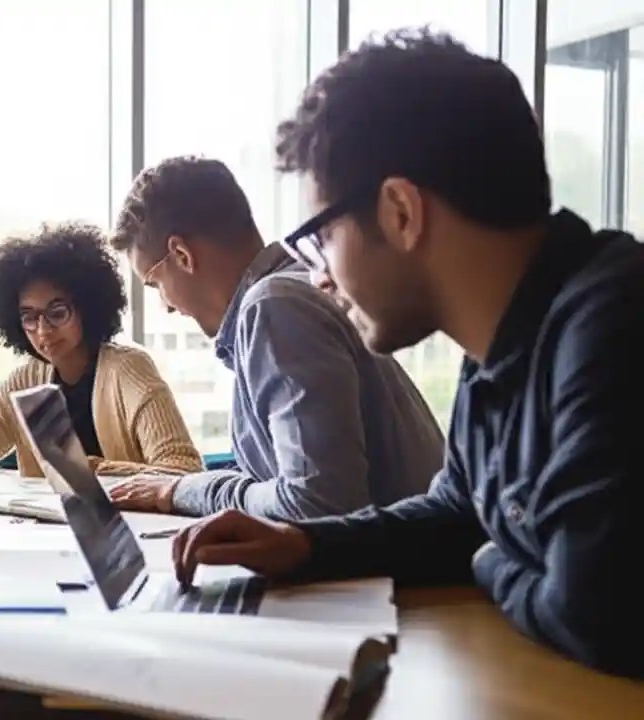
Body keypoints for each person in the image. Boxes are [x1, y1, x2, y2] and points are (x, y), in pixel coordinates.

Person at [171, 29, 641, 679]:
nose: (321, 277)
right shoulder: (499, 351)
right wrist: (305, 543)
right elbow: (457, 513)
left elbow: (594, 612)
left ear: (400, 211)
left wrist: (488, 559)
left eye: (322, 236)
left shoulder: (613, 326)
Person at [107, 155, 444, 520]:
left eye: (155, 283)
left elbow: (316, 503)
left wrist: (182, 491)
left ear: (182, 254)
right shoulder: (294, 291)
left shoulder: (275, 308)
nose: (166, 306)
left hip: (405, 574)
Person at [0, 222, 202, 478]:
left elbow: (183, 470)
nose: (43, 331)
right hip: (44, 519)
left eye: (57, 313)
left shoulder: (128, 370)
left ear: (86, 307)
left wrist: (95, 471)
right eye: (29, 318)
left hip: (134, 518)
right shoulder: (25, 381)